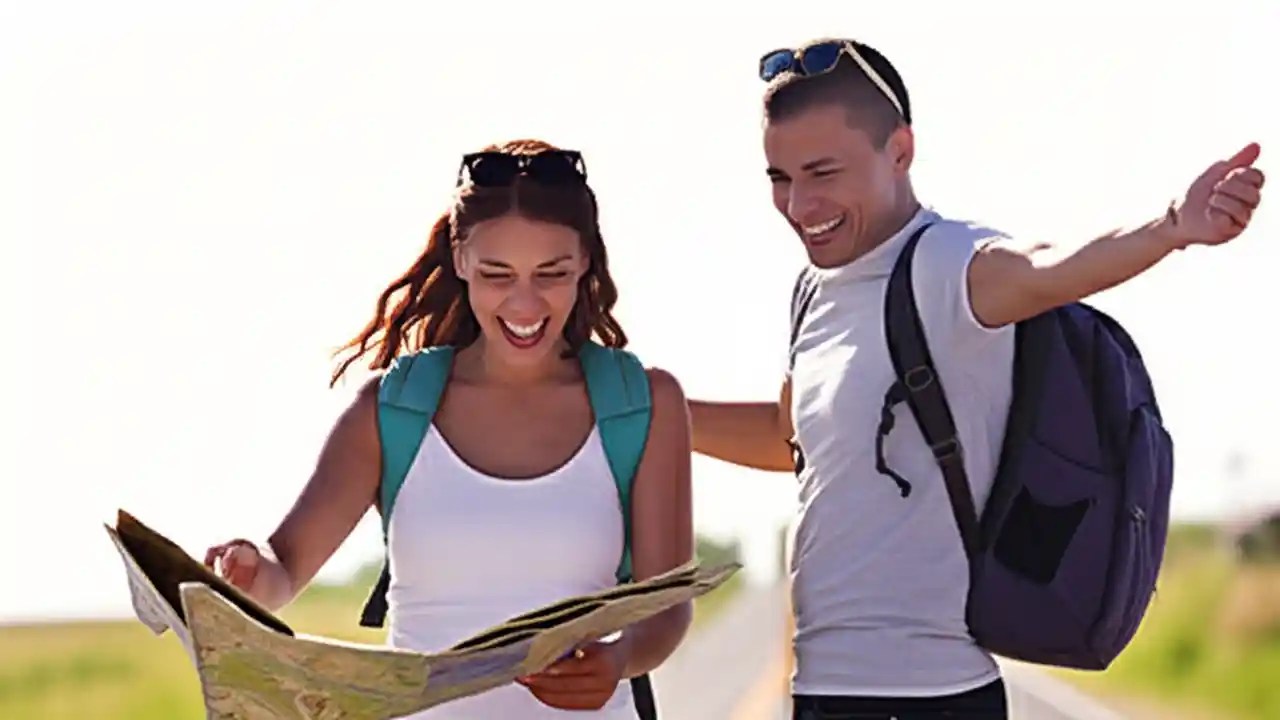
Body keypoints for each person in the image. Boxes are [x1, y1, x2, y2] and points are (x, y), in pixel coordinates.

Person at [688, 38, 1265, 719]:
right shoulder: (815, 293)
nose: (799, 203)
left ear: (899, 150)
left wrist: (1171, 226)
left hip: (931, 696)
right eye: (780, 177)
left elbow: (1051, 268)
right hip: (824, 688)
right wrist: (647, 405)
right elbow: (788, 439)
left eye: (822, 173)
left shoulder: (947, 264)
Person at [203, 139, 695, 719]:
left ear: (585, 260)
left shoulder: (644, 405)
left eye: (552, 273)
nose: (525, 303)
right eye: (497, 273)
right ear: (461, 259)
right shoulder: (393, 410)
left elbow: (667, 609)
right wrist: (245, 571)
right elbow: (282, 571)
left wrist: (620, 658)